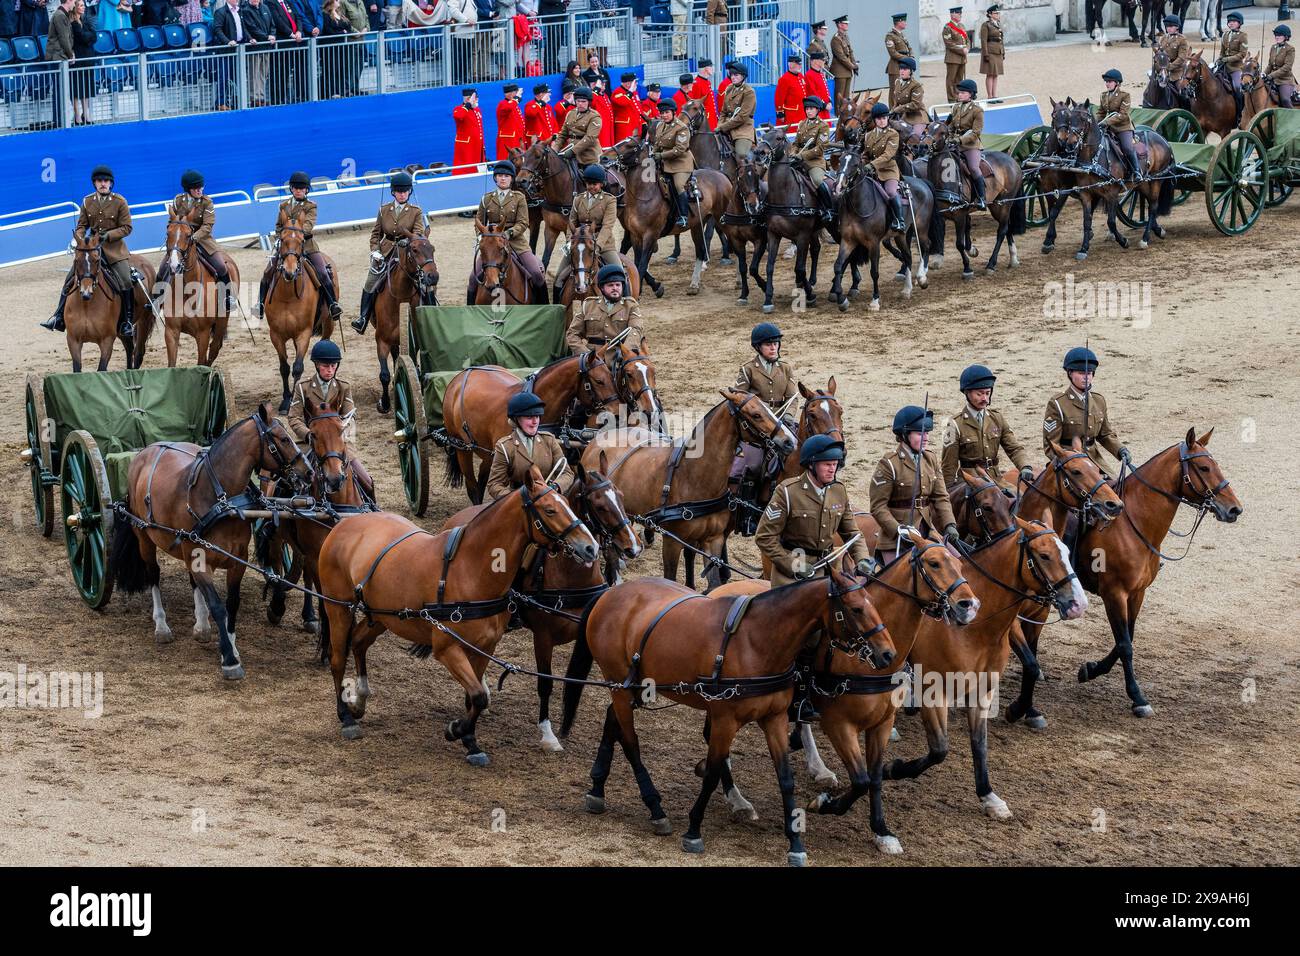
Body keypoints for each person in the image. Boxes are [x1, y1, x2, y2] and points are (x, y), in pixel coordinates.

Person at [757, 434, 876, 587]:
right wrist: (793, 565)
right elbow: (764, 537)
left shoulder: (839, 491)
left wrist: (863, 559)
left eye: (835, 464)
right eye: (827, 464)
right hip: (791, 577)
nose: (832, 469)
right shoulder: (787, 492)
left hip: (827, 572)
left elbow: (853, 534)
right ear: (811, 465)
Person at [42, 166, 141, 336]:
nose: (103, 184)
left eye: (106, 181)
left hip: (114, 250)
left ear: (111, 183)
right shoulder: (87, 201)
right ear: (95, 183)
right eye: (99, 181)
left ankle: (127, 321)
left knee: (125, 280)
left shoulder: (119, 201)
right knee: (69, 279)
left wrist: (107, 236)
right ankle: (58, 317)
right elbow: (82, 226)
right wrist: (77, 238)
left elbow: (127, 228)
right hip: (90, 250)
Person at [869, 405, 959, 564]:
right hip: (897, 540)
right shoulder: (889, 464)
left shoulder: (930, 459)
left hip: (928, 532)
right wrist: (898, 531)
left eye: (927, 433)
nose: (926, 438)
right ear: (904, 435)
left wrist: (949, 524)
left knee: (959, 564)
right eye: (920, 433)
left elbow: (941, 497)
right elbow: (878, 507)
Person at [286, 338, 375, 498]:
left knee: (367, 482)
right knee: (288, 481)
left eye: (333, 366)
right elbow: (293, 417)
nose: (330, 370)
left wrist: (339, 434)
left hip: (339, 443)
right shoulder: (303, 386)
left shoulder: (343, 386)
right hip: (310, 443)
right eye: (326, 366)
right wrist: (308, 435)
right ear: (317, 365)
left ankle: (373, 510)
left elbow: (350, 416)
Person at [731, 322, 796, 535]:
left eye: (776, 343)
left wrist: (787, 417)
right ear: (758, 347)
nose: (774, 348)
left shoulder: (785, 368)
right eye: (769, 344)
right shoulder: (748, 369)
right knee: (751, 465)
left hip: (781, 421)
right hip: (757, 427)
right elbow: (739, 398)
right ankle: (750, 515)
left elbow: (793, 398)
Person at [257, 171, 344, 321]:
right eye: (296, 188)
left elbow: (308, 225)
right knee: (267, 272)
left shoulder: (310, 206)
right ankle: (260, 304)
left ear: (306, 190)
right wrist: (280, 238)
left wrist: (294, 235)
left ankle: (332, 304)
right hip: (286, 247)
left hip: (307, 245)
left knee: (322, 272)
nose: (298, 190)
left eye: (302, 188)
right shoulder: (283, 206)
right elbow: (278, 226)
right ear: (291, 189)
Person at [352, 170, 427, 334]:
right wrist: (375, 251)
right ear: (393, 192)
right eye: (399, 191)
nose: (402, 195)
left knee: (425, 281)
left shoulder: (416, 211)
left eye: (405, 191)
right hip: (386, 253)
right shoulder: (384, 210)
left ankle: (431, 316)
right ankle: (363, 317)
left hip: (407, 254)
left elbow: (419, 234)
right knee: (370, 281)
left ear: (409, 191)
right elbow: (375, 235)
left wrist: (407, 241)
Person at [157, 170, 238, 313]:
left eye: (201, 187)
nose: (200, 190)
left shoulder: (207, 202)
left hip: (202, 239)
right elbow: (173, 220)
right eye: (196, 188)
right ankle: (156, 299)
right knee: (163, 268)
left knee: (221, 266)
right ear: (188, 189)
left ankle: (228, 297)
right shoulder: (178, 200)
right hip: (182, 240)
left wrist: (194, 237)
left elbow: (208, 226)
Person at [940, 364, 1032, 490]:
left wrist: (1025, 466)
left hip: (996, 480)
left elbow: (1014, 448)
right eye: (979, 394)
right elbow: (948, 466)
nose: (985, 399)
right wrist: (948, 493)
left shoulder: (997, 418)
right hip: (970, 484)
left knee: (1020, 501)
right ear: (967, 393)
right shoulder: (953, 424)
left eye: (987, 393)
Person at [1043, 347, 1129, 478]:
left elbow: (1105, 434)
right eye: (1081, 373)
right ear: (1070, 373)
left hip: (1095, 462)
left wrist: (1120, 449)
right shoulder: (1057, 404)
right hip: (1070, 467)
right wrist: (1071, 463)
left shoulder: (1099, 401)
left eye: (1089, 373)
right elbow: (1051, 446)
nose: (1086, 377)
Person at [471, 160, 548, 303]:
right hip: (492, 243)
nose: (503, 178)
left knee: (536, 273)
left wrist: (508, 233)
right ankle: (469, 313)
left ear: (512, 178)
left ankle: (545, 309)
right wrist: (481, 237)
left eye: (506, 176)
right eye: (500, 175)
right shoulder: (486, 198)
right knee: (473, 278)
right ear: (495, 178)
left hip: (515, 241)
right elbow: (479, 222)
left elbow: (523, 222)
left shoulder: (519, 197)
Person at [486, 392, 573, 501]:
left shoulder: (549, 440)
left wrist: (554, 487)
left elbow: (567, 473)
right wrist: (519, 498)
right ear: (516, 419)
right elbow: (495, 484)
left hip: (551, 500)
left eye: (537, 416)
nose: (535, 422)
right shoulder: (505, 447)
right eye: (529, 417)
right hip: (522, 504)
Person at [564, 263, 644, 354]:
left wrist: (625, 353)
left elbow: (636, 330)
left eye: (618, 285)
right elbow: (572, 334)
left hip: (620, 358)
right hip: (592, 359)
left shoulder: (631, 306)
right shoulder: (588, 305)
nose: (615, 288)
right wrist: (586, 354)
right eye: (610, 285)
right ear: (602, 288)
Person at [565, 165, 620, 269]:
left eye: (595, 184)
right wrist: (569, 241)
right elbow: (571, 223)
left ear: (601, 184)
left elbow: (607, 226)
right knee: (559, 277)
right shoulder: (578, 199)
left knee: (619, 271)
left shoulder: (610, 200)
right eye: (589, 184)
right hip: (578, 242)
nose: (591, 187)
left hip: (603, 244)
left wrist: (598, 245)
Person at [862, 102, 905, 232]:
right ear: (875, 120)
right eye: (879, 119)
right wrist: (863, 162)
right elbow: (866, 154)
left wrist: (872, 164)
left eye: (884, 118)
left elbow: (888, 155)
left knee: (891, 192)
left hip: (888, 170)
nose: (882, 121)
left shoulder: (893, 134)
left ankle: (899, 220)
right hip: (871, 171)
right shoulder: (868, 135)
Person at [652, 98, 693, 228]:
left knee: (679, 185)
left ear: (674, 112)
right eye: (662, 113)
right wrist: (652, 154)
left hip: (680, 163)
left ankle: (683, 216)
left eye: (667, 112)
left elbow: (680, 149)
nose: (664, 115)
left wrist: (661, 155)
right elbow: (657, 144)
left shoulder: (682, 128)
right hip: (663, 162)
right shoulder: (660, 125)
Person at [794, 96, 833, 222]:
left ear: (817, 110)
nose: (809, 111)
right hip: (798, 159)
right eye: (807, 109)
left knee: (816, 180)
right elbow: (795, 143)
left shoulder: (823, 126)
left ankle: (828, 209)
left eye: (812, 109)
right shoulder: (801, 124)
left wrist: (802, 155)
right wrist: (793, 153)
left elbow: (820, 148)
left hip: (815, 161)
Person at [1098, 68, 1142, 182]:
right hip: (1109, 128)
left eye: (1110, 81)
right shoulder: (1103, 95)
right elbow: (1101, 112)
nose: (1107, 84)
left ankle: (1137, 171)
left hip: (1123, 128)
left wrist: (1106, 122)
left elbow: (1123, 115)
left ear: (1117, 83)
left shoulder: (1125, 95)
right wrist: (1097, 123)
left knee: (1127, 147)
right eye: (1106, 82)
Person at [949, 78, 986, 210]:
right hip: (954, 143)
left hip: (971, 145)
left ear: (971, 94)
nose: (959, 94)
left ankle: (981, 198)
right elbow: (952, 127)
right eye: (959, 92)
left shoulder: (977, 110)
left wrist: (959, 140)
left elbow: (976, 133)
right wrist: (949, 136)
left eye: (963, 92)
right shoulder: (956, 107)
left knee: (974, 168)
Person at [715, 61, 756, 160]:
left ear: (743, 76)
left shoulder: (749, 92)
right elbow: (723, 112)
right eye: (731, 75)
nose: (733, 77)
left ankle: (746, 174)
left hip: (742, 129)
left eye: (736, 75)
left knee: (741, 154)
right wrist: (719, 126)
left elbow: (742, 117)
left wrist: (723, 127)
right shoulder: (729, 88)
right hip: (726, 126)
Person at [452, 88, 486, 186]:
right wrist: (467, 105)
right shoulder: (459, 109)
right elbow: (459, 116)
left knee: (476, 168)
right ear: (468, 99)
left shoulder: (477, 110)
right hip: (466, 147)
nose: (477, 100)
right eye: (475, 98)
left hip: (477, 146)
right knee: (466, 169)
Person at [1218, 12, 1247, 125]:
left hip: (1235, 68)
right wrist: (1219, 59)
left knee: (1237, 87)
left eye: (1233, 22)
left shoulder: (1243, 36)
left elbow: (1242, 54)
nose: (1231, 24)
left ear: (1239, 23)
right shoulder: (1225, 35)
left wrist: (1227, 59)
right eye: (1229, 22)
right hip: (1223, 66)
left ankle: (1240, 114)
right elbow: (1222, 52)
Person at [890, 56, 926, 137]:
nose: (902, 71)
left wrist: (898, 109)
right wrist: (891, 112)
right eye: (900, 68)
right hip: (903, 115)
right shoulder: (897, 82)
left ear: (911, 71)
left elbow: (915, 104)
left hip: (916, 116)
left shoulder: (916, 86)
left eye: (905, 69)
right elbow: (896, 101)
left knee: (915, 137)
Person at [829, 13, 857, 113]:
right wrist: (852, 66)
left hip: (847, 71)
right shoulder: (835, 39)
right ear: (840, 25)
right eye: (845, 23)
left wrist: (855, 65)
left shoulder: (845, 37)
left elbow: (850, 52)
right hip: (839, 72)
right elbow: (841, 57)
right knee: (839, 98)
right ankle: (838, 115)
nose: (847, 25)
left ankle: (846, 115)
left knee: (846, 97)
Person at [942, 6, 969, 103]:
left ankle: (959, 96)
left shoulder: (961, 26)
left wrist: (967, 48)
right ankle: (951, 98)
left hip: (962, 58)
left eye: (960, 13)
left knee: (959, 79)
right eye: (958, 13)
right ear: (952, 14)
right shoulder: (947, 27)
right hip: (952, 58)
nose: (960, 15)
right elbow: (949, 44)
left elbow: (967, 40)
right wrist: (962, 50)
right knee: (951, 80)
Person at [774, 53, 807, 132]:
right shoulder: (784, 79)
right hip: (791, 113)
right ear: (791, 65)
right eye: (798, 64)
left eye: (800, 64)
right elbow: (779, 98)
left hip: (802, 111)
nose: (800, 66)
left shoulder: (801, 76)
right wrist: (780, 113)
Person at [1267, 25, 1296, 108]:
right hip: (1272, 79)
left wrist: (1271, 75)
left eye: (1279, 35)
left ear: (1286, 37)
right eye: (1276, 35)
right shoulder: (1273, 47)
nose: (1277, 37)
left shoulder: (1290, 49)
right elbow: (1270, 65)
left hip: (1284, 80)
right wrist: (1264, 74)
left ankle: (1294, 117)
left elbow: (1287, 67)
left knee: (1285, 100)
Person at [978, 4, 1003, 100]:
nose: (997, 14)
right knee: (990, 74)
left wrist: (1003, 51)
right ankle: (990, 96)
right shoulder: (986, 25)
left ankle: (995, 95)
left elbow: (1001, 39)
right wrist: (986, 54)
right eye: (995, 13)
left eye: (998, 13)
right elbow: (983, 40)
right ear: (990, 14)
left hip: (998, 51)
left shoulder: (998, 24)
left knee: (996, 74)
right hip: (990, 51)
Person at [496, 82, 527, 159]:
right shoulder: (502, 104)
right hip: (508, 140)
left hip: (517, 139)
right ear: (511, 93)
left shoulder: (514, 105)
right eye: (516, 92)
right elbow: (508, 107)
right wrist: (516, 98)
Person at [609, 72, 640, 144]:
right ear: (628, 84)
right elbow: (623, 102)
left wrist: (643, 122)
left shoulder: (634, 92)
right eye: (635, 82)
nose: (636, 84)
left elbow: (638, 107)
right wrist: (630, 91)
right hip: (624, 127)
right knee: (624, 147)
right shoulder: (617, 92)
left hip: (635, 125)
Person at [688, 58, 718, 130]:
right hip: (705, 121)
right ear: (706, 69)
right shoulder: (697, 84)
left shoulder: (706, 82)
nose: (713, 69)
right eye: (711, 67)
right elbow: (696, 104)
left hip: (711, 118)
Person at [884, 12, 911, 89]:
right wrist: (906, 58)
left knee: (904, 90)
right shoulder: (890, 36)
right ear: (898, 22)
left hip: (905, 66)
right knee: (895, 91)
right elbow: (893, 53)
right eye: (904, 21)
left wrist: (911, 57)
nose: (906, 23)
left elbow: (909, 48)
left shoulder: (902, 35)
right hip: (895, 67)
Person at [589, 74, 615, 149]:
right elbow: (591, 102)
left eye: (604, 83)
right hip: (600, 128)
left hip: (608, 127)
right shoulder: (592, 95)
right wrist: (596, 88)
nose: (604, 85)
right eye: (602, 83)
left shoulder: (605, 95)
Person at [804, 51, 833, 119]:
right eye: (822, 60)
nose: (824, 62)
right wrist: (824, 104)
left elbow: (826, 90)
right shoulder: (809, 75)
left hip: (825, 109)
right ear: (815, 61)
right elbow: (813, 92)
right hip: (818, 109)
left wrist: (829, 101)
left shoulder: (821, 74)